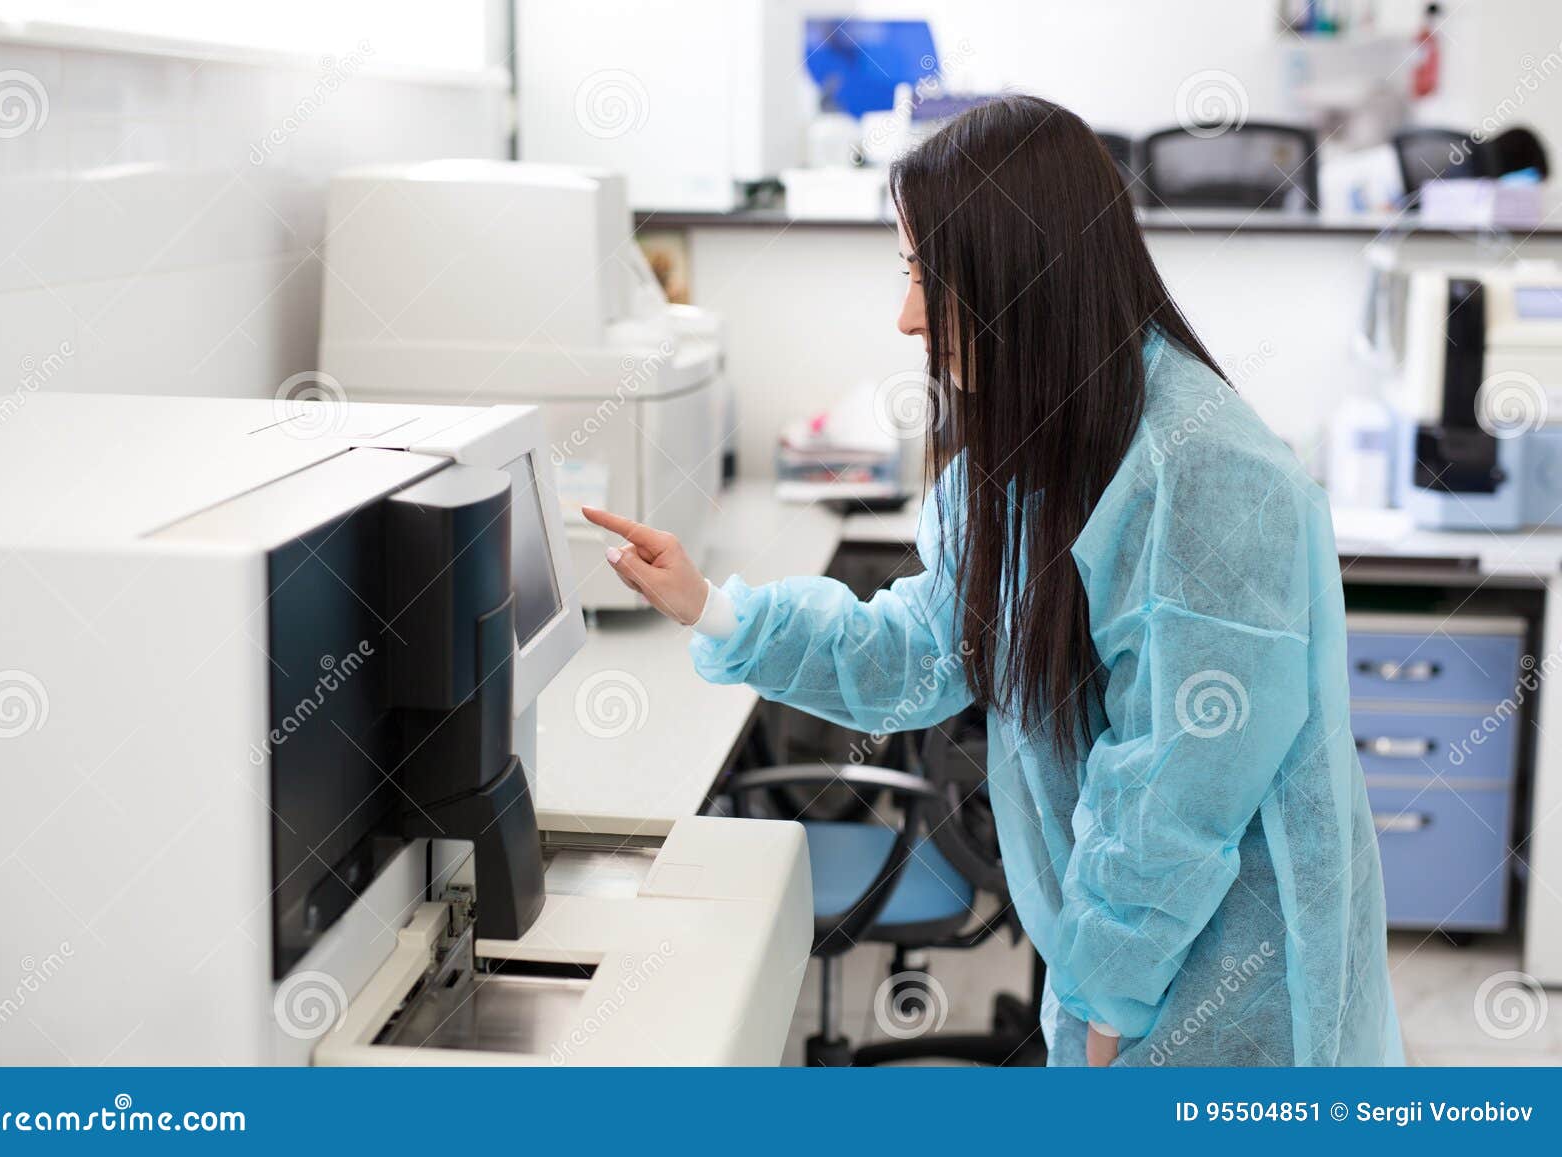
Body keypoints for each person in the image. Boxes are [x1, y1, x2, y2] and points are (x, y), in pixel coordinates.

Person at [583, 94, 1402, 1067]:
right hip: (1116, 968)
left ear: (1024, 275)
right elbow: (920, 648)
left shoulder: (1203, 471)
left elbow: (1179, 790)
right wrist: (710, 605)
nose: (906, 315)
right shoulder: (1022, 456)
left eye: (930, 275)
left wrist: (1106, 1005)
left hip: (1228, 983)